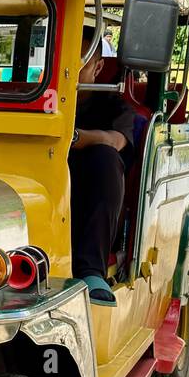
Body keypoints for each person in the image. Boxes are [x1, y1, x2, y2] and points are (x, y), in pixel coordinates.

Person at [69, 25, 138, 304]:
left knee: (105, 157)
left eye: (80, 61)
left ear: (97, 69)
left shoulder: (114, 106)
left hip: (87, 190)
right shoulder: (35, 97)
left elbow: (117, 140)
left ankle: (91, 270)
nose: (70, 67)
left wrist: (76, 138)